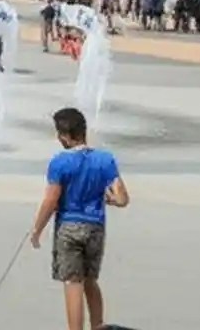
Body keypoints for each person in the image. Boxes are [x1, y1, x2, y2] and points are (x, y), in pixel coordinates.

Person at [29, 107, 130, 330]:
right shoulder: (105, 159)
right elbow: (123, 198)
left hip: (69, 227)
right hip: (95, 228)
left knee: (73, 283)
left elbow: (51, 200)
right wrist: (112, 200)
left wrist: (37, 230)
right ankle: (98, 325)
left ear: (65, 136)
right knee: (90, 280)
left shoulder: (60, 162)